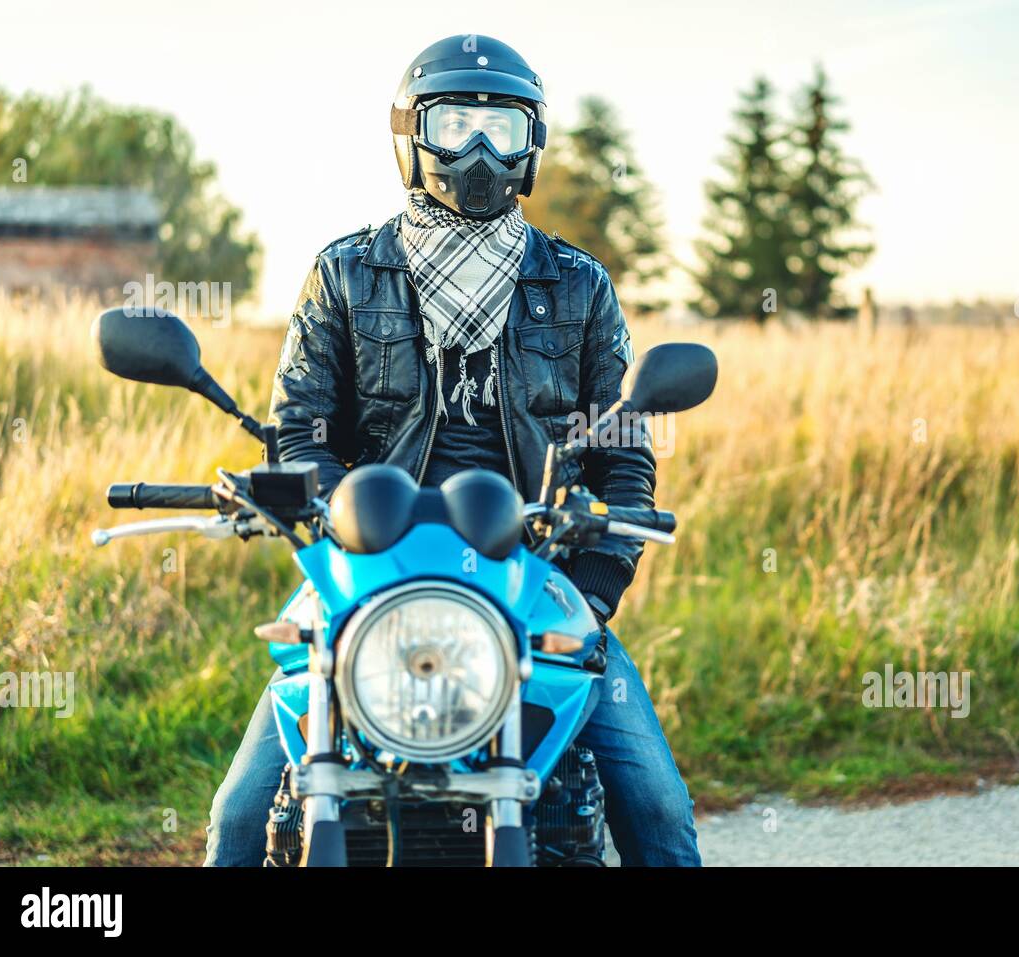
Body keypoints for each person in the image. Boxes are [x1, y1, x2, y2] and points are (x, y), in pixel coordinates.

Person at [204, 34, 701, 867]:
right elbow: (300, 430)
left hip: (533, 581)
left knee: (658, 807)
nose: (477, 149)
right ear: (412, 135)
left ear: (530, 143)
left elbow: (625, 456)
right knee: (238, 817)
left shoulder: (578, 285)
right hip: (369, 579)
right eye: (455, 123)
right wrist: (333, 520)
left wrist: (593, 588)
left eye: (499, 127)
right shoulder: (346, 273)